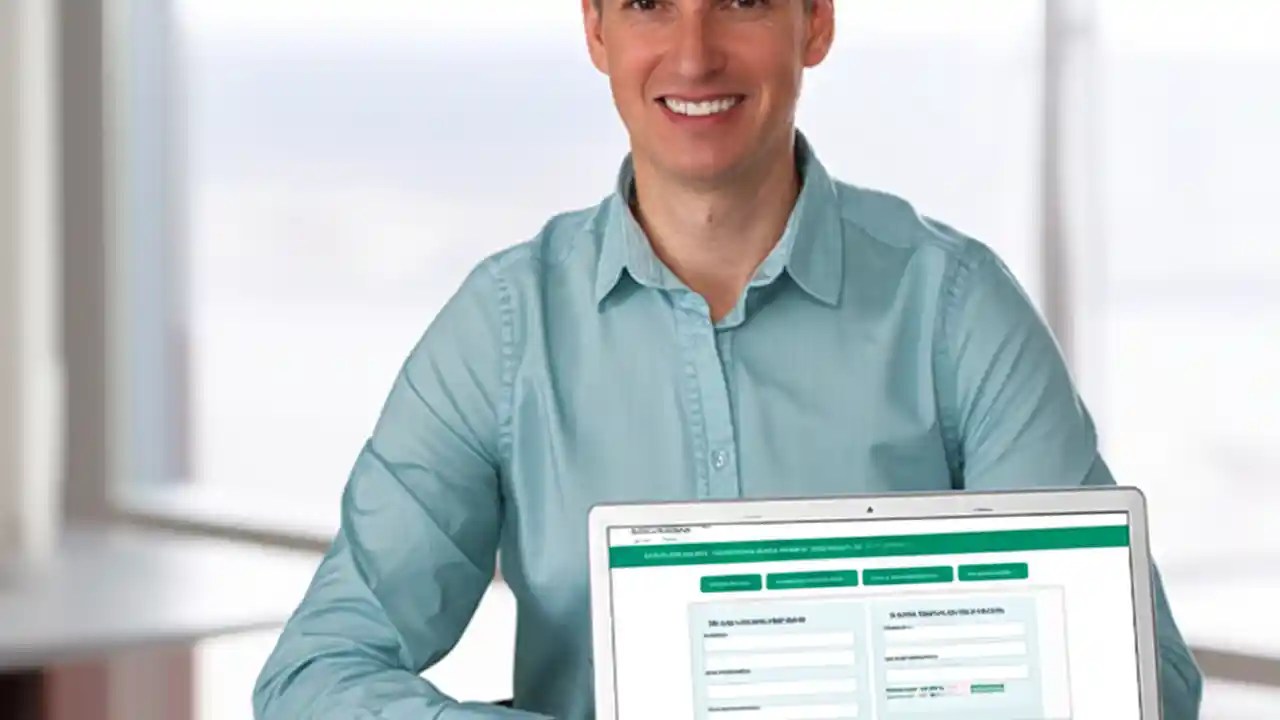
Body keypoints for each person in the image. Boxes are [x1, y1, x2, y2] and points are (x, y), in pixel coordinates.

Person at [253, 1, 1203, 717]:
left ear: (816, 21)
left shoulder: (954, 311)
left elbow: (1143, 672)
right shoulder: (504, 330)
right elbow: (314, 675)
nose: (695, 51)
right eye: (646, 2)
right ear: (594, 29)